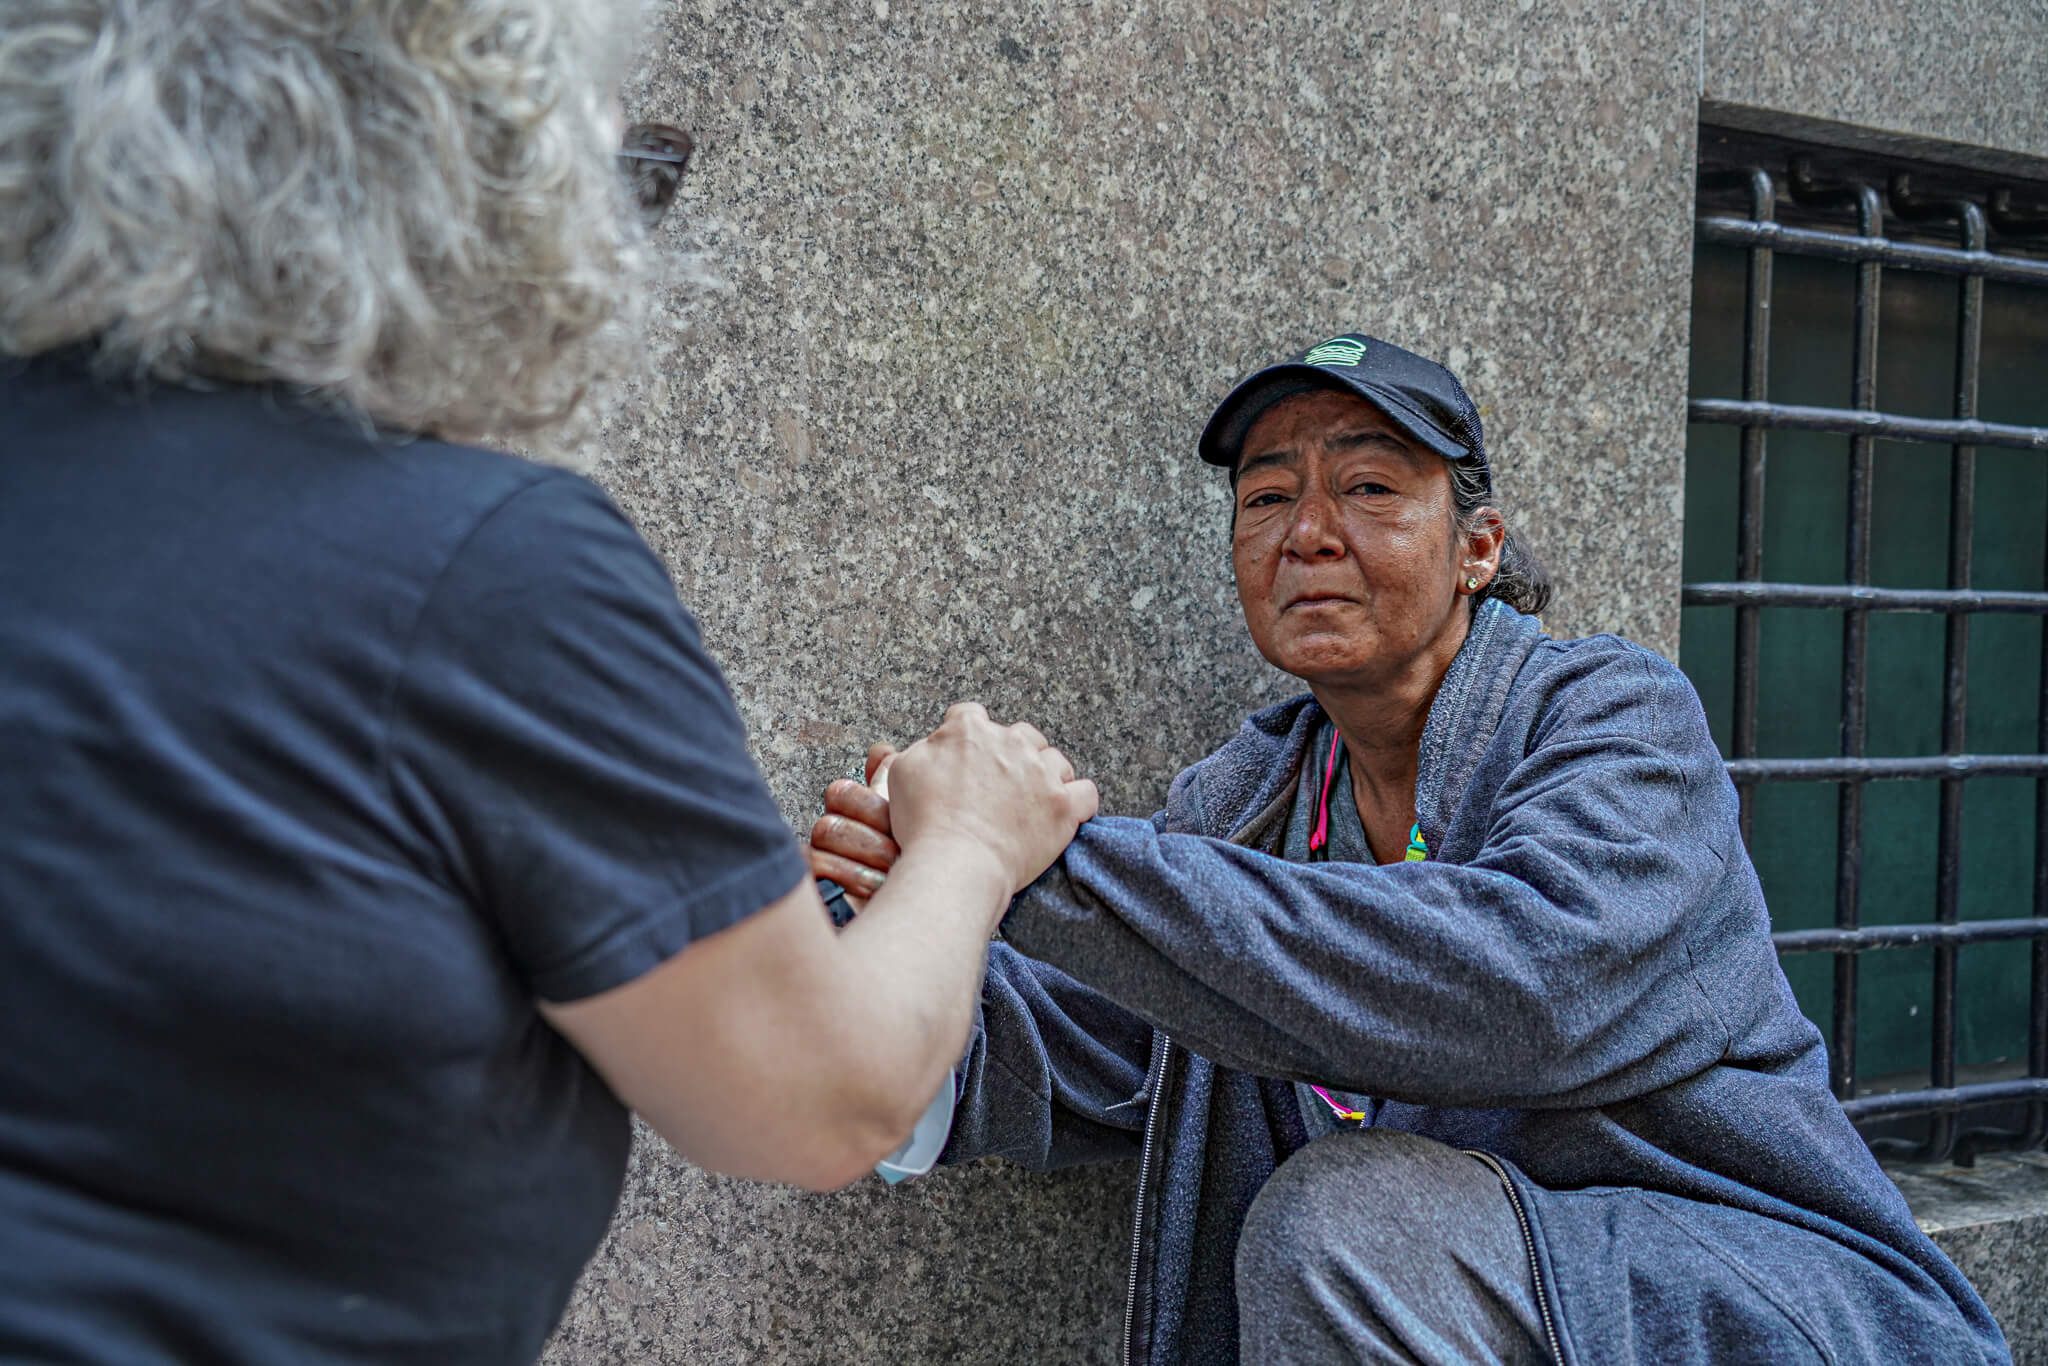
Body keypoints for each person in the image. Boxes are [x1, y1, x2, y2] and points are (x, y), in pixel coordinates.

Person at [0, 3, 1095, 1362]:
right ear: (470, 190)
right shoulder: (477, 560)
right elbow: (827, 1095)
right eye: (623, 178)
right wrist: (979, 840)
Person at [807, 333, 2011, 1365]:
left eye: (1372, 489)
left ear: (1477, 549)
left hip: (1740, 1295)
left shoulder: (1616, 717)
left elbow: (1521, 987)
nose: (1307, 533)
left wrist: (1033, 859)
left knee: (1345, 1223)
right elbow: (1123, 1036)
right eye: (1266, 498)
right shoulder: (1244, 802)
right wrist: (890, 925)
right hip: (1464, 1306)